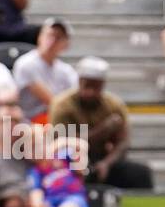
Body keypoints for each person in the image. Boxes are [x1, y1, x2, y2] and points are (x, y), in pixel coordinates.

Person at [49, 56, 153, 189]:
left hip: (103, 160)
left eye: (96, 87)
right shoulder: (61, 105)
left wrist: (106, 163)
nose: (91, 92)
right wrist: (103, 130)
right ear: (79, 81)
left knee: (140, 174)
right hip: (70, 164)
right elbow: (64, 145)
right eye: (87, 85)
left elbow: (123, 142)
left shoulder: (114, 105)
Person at [12, 18, 75, 123]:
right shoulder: (26, 63)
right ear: (39, 36)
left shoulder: (67, 71)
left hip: (56, 120)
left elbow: (74, 98)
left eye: (58, 37)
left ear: (66, 44)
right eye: (49, 35)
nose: (52, 40)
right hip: (29, 122)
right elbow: (52, 101)